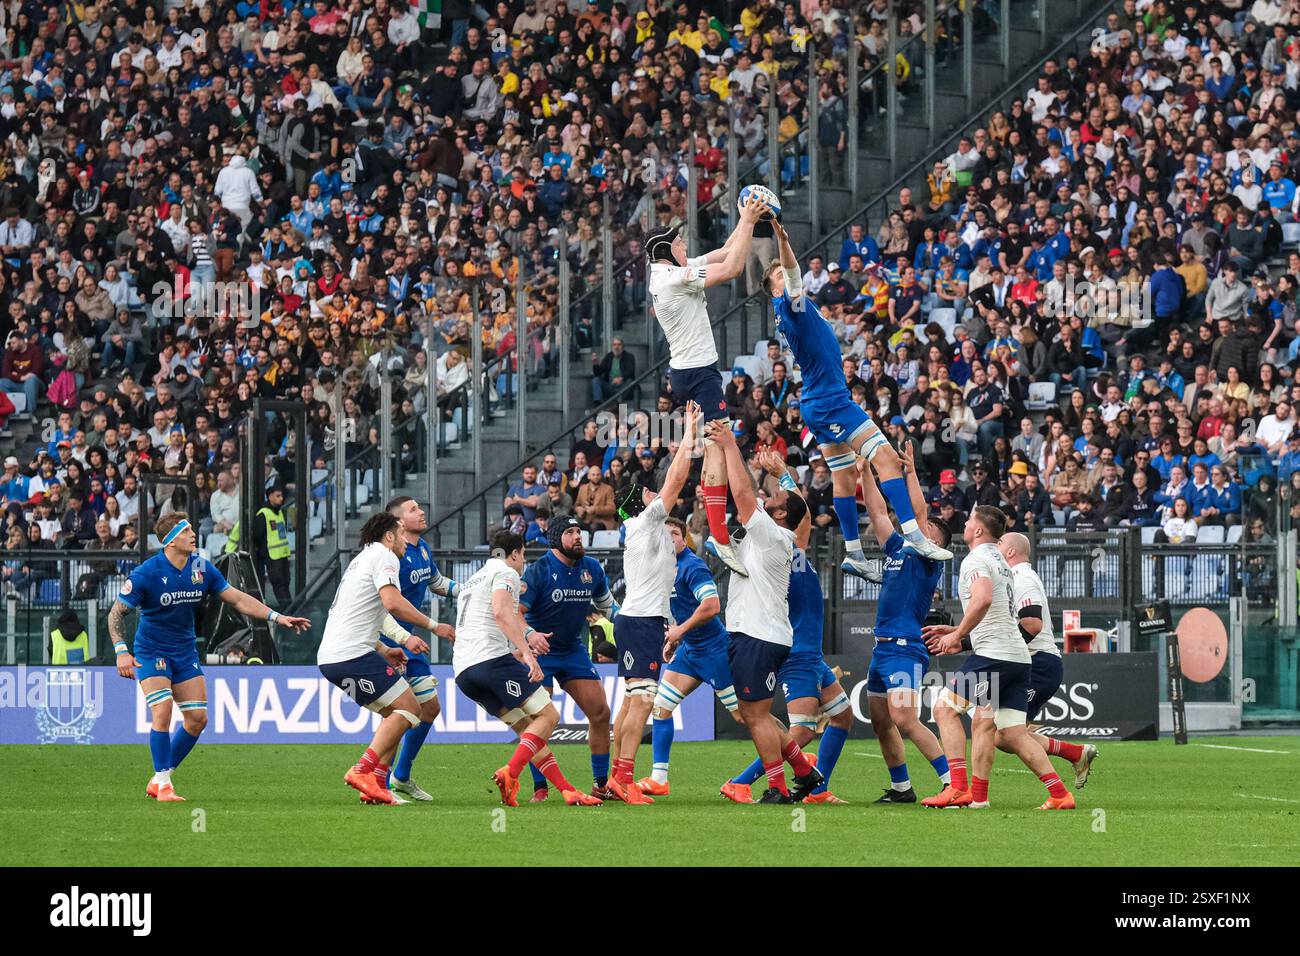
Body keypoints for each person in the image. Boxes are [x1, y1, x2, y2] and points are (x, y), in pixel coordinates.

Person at [764, 217, 952, 579]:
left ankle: (853, 552)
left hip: (820, 402)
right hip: (830, 401)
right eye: (778, 278)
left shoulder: (794, 311)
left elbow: (789, 274)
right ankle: (913, 533)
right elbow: (790, 271)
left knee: (845, 475)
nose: (787, 278)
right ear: (776, 290)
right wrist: (782, 239)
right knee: (886, 458)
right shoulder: (791, 307)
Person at [110, 512, 311, 802]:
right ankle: (165, 784)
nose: (193, 534)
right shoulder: (146, 573)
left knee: (197, 720)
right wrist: (120, 651)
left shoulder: (201, 568)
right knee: (163, 712)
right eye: (186, 530)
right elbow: (116, 614)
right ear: (170, 541)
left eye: (192, 529)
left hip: (184, 651)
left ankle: (159, 778)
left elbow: (239, 599)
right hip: (152, 651)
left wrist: (277, 617)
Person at [920, 506, 1074, 810]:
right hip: (1018, 656)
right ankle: (1059, 794)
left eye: (968, 521)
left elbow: (983, 599)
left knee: (944, 709)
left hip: (995, 654)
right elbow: (998, 611)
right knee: (1010, 731)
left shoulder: (976, 559)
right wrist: (958, 631)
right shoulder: (1002, 563)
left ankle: (959, 788)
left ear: (978, 531)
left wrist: (956, 635)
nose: (963, 523)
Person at [722, 450, 854, 805]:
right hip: (796, 651)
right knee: (802, 731)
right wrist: (778, 477)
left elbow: (801, 514)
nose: (774, 501)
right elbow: (793, 512)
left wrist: (784, 475)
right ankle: (742, 781)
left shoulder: (793, 546)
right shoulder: (773, 546)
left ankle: (818, 788)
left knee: (842, 716)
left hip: (812, 653)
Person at [646, 193, 765, 575]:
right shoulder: (673, 278)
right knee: (716, 450)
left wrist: (745, 221)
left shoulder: (671, 269)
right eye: (678, 242)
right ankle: (718, 534)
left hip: (690, 371)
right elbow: (731, 270)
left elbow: (725, 252)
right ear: (666, 250)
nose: (685, 245)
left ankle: (718, 532)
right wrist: (748, 219)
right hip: (698, 373)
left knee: (715, 446)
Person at [706, 417, 823, 804]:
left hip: (757, 635)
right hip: (762, 634)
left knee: (754, 716)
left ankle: (776, 788)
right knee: (758, 714)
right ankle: (805, 773)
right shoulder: (783, 533)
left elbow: (741, 495)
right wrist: (782, 474)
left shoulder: (771, 535)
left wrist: (730, 446)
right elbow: (800, 513)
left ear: (779, 514)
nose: (765, 495)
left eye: (772, 498)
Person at [453, 528, 601, 807]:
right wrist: (528, 655)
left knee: (528, 730)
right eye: (523, 556)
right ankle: (511, 771)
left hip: (464, 671)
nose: (523, 563)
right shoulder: (507, 572)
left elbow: (484, 619)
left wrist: (515, 652)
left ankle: (567, 790)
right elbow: (500, 612)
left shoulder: (473, 579)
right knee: (548, 716)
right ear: (515, 554)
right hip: (490, 661)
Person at [316, 510, 452, 805]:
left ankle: (376, 787)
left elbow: (363, 615)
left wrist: (386, 647)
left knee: (398, 713)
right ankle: (363, 770)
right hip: (350, 655)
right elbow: (392, 603)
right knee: (410, 709)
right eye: (401, 534)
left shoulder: (363, 559)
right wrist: (433, 626)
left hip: (339, 655)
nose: (406, 540)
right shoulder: (385, 556)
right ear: (389, 535)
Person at [606, 401, 701, 804]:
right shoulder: (644, 522)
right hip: (641, 621)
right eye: (648, 493)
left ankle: (614, 777)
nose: (655, 494)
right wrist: (689, 434)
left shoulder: (645, 528)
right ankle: (625, 780)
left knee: (632, 700)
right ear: (640, 505)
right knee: (643, 701)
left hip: (640, 620)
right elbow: (676, 481)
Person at [856, 446, 952, 803]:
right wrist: (865, 471)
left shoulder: (929, 559)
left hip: (904, 647)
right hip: (882, 649)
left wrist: (909, 472)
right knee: (881, 721)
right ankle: (902, 789)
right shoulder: (898, 549)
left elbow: (918, 510)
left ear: (936, 541)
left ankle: (951, 783)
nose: (916, 526)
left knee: (905, 719)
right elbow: (879, 511)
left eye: (926, 528)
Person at [519, 514, 619, 802]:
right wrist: (529, 636)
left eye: (580, 531)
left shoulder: (591, 569)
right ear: (555, 538)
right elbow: (516, 613)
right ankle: (540, 788)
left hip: (573, 650)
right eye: (571, 532)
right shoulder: (538, 571)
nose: (578, 537)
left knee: (600, 713)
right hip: (542, 653)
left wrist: (632, 625)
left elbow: (608, 606)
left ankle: (601, 785)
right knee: (541, 719)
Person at [640, 514, 739, 797]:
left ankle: (794, 754)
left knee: (746, 717)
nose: (670, 539)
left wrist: (680, 631)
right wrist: (675, 637)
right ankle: (659, 778)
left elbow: (711, 605)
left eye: (675, 533)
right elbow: (680, 608)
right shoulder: (665, 569)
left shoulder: (692, 566)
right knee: (660, 707)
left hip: (715, 652)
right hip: (690, 652)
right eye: (665, 534)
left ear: (684, 539)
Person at [997, 533, 1098, 788]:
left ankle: (1057, 790)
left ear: (1010, 552)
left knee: (1007, 734)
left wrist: (1004, 653)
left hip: (1038, 665)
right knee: (1002, 736)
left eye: (999, 544)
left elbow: (1032, 624)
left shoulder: (1022, 578)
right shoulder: (1015, 578)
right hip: (1032, 663)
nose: (995, 548)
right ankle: (1075, 754)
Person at [379, 497, 461, 802]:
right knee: (394, 713)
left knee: (429, 708)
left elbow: (436, 581)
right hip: (385, 642)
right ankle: (380, 783)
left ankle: (401, 776)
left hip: (409, 643)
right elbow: (385, 602)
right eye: (413, 509)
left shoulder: (422, 547)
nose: (422, 511)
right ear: (398, 521)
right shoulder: (390, 554)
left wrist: (469, 590)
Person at [252, 485, 292, 605]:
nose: (281, 498)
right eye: (278, 496)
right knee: (279, 583)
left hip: (282, 554)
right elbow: (257, 535)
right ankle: (288, 610)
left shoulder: (278, 512)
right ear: (270, 497)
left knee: (285, 583)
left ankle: (290, 609)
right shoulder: (263, 514)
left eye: (282, 495)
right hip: (272, 555)